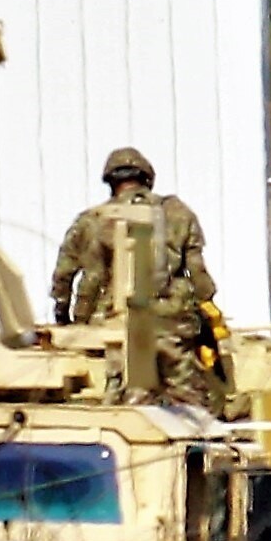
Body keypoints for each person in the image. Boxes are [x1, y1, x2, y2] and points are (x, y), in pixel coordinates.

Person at [68, 146, 223, 411]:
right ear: (147, 177)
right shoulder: (178, 212)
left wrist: (74, 321)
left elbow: (85, 279)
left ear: (110, 182)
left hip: (122, 325)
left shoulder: (93, 220)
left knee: (126, 403)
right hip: (172, 323)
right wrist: (204, 308)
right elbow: (199, 277)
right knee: (189, 405)